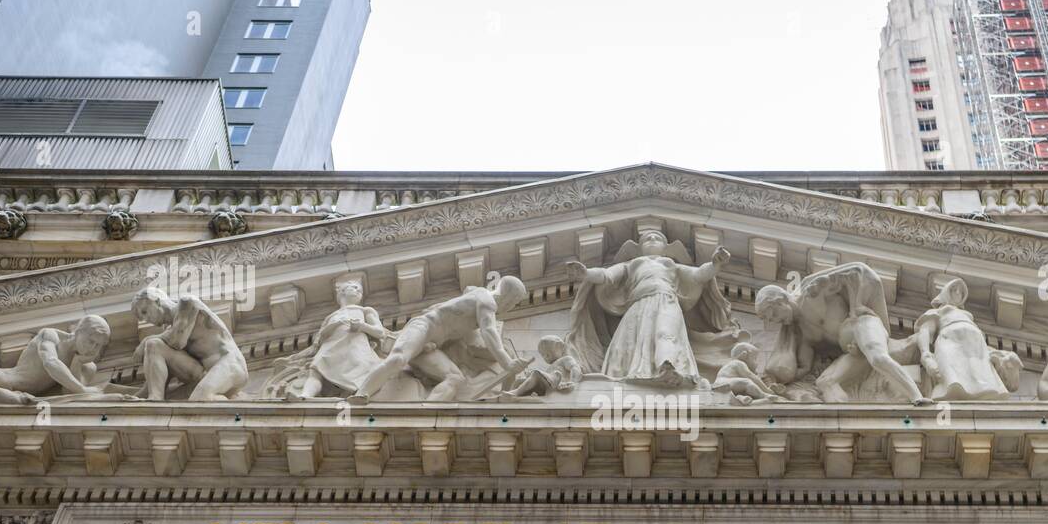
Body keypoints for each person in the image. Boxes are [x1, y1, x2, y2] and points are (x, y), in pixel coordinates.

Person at [565, 230, 737, 388]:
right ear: (640, 248)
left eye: (657, 238)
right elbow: (606, 276)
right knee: (630, 342)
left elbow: (698, 275)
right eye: (647, 239)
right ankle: (631, 373)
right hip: (639, 306)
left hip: (666, 302)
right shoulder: (632, 264)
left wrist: (715, 265)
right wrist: (586, 273)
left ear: (665, 247)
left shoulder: (670, 264)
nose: (653, 239)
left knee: (666, 333)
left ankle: (668, 367)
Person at [755, 261, 929, 404]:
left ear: (782, 300)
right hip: (853, 351)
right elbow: (805, 368)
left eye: (776, 314)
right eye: (773, 320)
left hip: (861, 324)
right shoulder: (801, 334)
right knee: (824, 382)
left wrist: (856, 306)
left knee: (877, 358)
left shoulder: (811, 291)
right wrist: (777, 384)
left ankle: (917, 397)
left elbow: (858, 271)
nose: (778, 321)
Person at [354, 276, 527, 402]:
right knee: (399, 359)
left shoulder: (481, 306)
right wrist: (507, 362)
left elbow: (477, 344)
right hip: (423, 328)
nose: (512, 307)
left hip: (431, 347)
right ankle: (362, 393)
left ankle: (426, 415)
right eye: (515, 302)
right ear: (509, 296)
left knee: (456, 379)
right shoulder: (486, 299)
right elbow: (489, 331)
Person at [263, 278, 390, 399]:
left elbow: (379, 332)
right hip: (329, 348)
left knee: (358, 374)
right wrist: (293, 358)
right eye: (355, 287)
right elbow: (315, 346)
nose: (358, 291)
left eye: (360, 290)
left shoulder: (365, 311)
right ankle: (305, 396)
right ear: (342, 291)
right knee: (316, 371)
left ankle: (359, 396)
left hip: (354, 347)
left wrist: (361, 326)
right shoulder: (330, 317)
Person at [131, 287, 248, 401]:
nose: (147, 319)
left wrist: (144, 342)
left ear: (156, 300)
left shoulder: (187, 303)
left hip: (229, 364)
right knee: (154, 346)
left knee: (200, 398)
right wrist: (125, 398)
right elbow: (152, 383)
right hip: (205, 375)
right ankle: (156, 399)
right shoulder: (168, 333)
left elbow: (178, 341)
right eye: (143, 318)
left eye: (145, 311)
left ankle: (234, 405)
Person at [914, 278, 1019, 400]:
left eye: (961, 292)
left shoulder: (968, 316)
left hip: (976, 349)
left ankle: (984, 393)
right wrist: (925, 355)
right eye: (954, 290)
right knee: (953, 380)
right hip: (950, 343)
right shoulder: (938, 311)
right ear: (946, 292)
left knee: (982, 381)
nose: (958, 293)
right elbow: (925, 331)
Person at [0, 316, 115, 404]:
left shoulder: (88, 366)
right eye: (91, 341)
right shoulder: (50, 335)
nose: (92, 348)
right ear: (79, 331)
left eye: (98, 345)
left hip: (22, 396)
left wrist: (77, 362)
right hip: (3, 379)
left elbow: (72, 395)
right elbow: (51, 363)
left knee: (14, 400)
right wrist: (82, 389)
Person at [712, 342, 785, 404]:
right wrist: (767, 391)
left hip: (724, 385)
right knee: (747, 381)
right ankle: (763, 395)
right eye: (754, 358)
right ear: (744, 355)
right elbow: (751, 377)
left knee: (745, 386)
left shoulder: (732, 365)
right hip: (723, 383)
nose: (757, 363)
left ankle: (742, 398)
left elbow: (754, 382)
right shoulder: (738, 363)